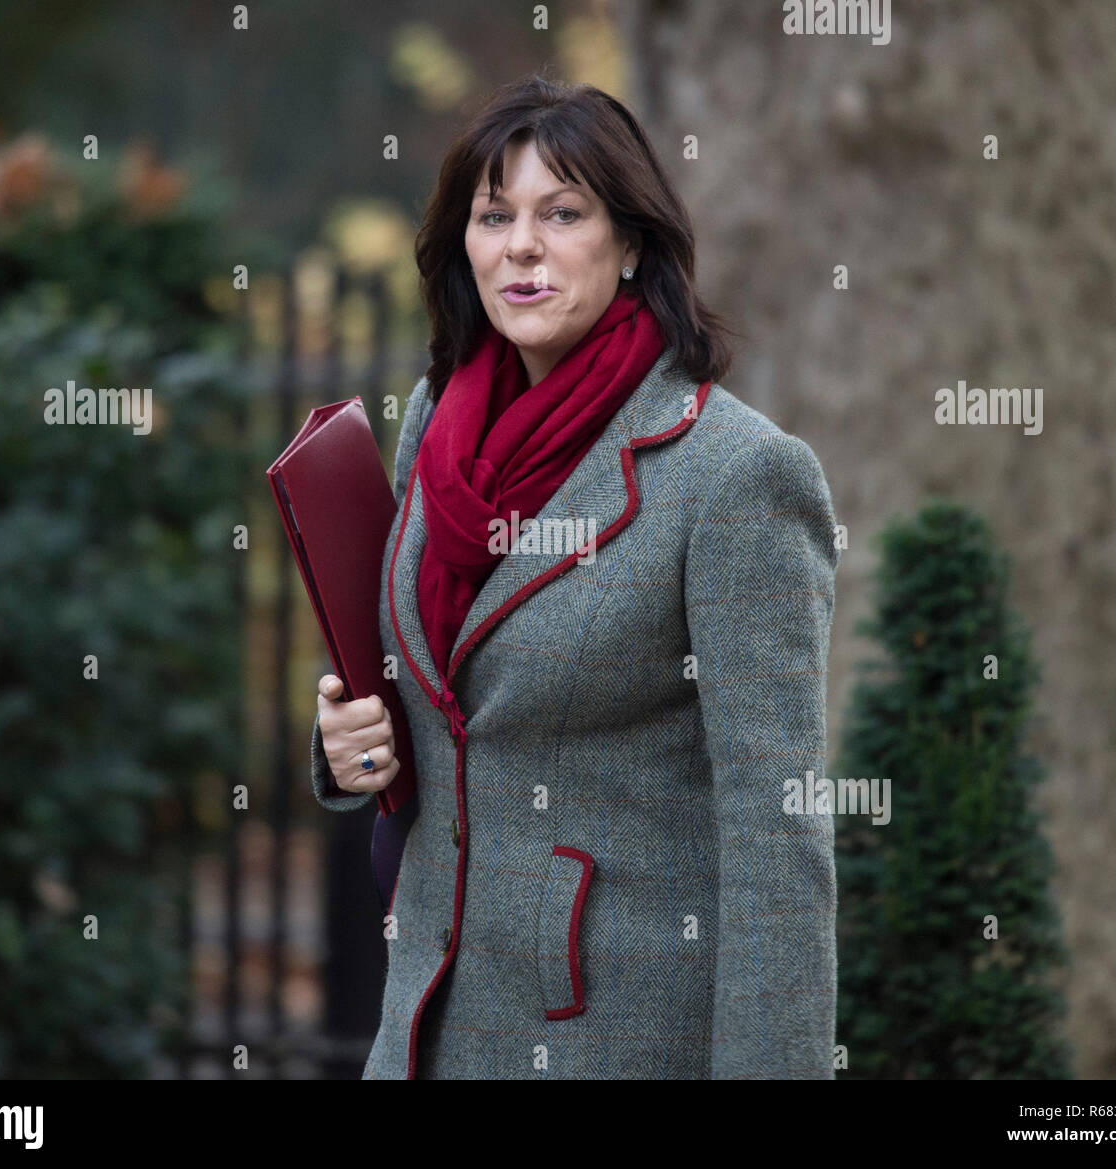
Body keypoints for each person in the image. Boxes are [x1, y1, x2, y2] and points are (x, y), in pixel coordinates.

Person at [310, 75, 841, 1079]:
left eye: (562, 214)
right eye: (492, 214)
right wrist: (342, 738)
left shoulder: (735, 474)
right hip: (420, 1024)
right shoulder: (433, 421)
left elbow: (778, 834)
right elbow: (417, 682)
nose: (520, 246)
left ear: (631, 241)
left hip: (615, 1036)